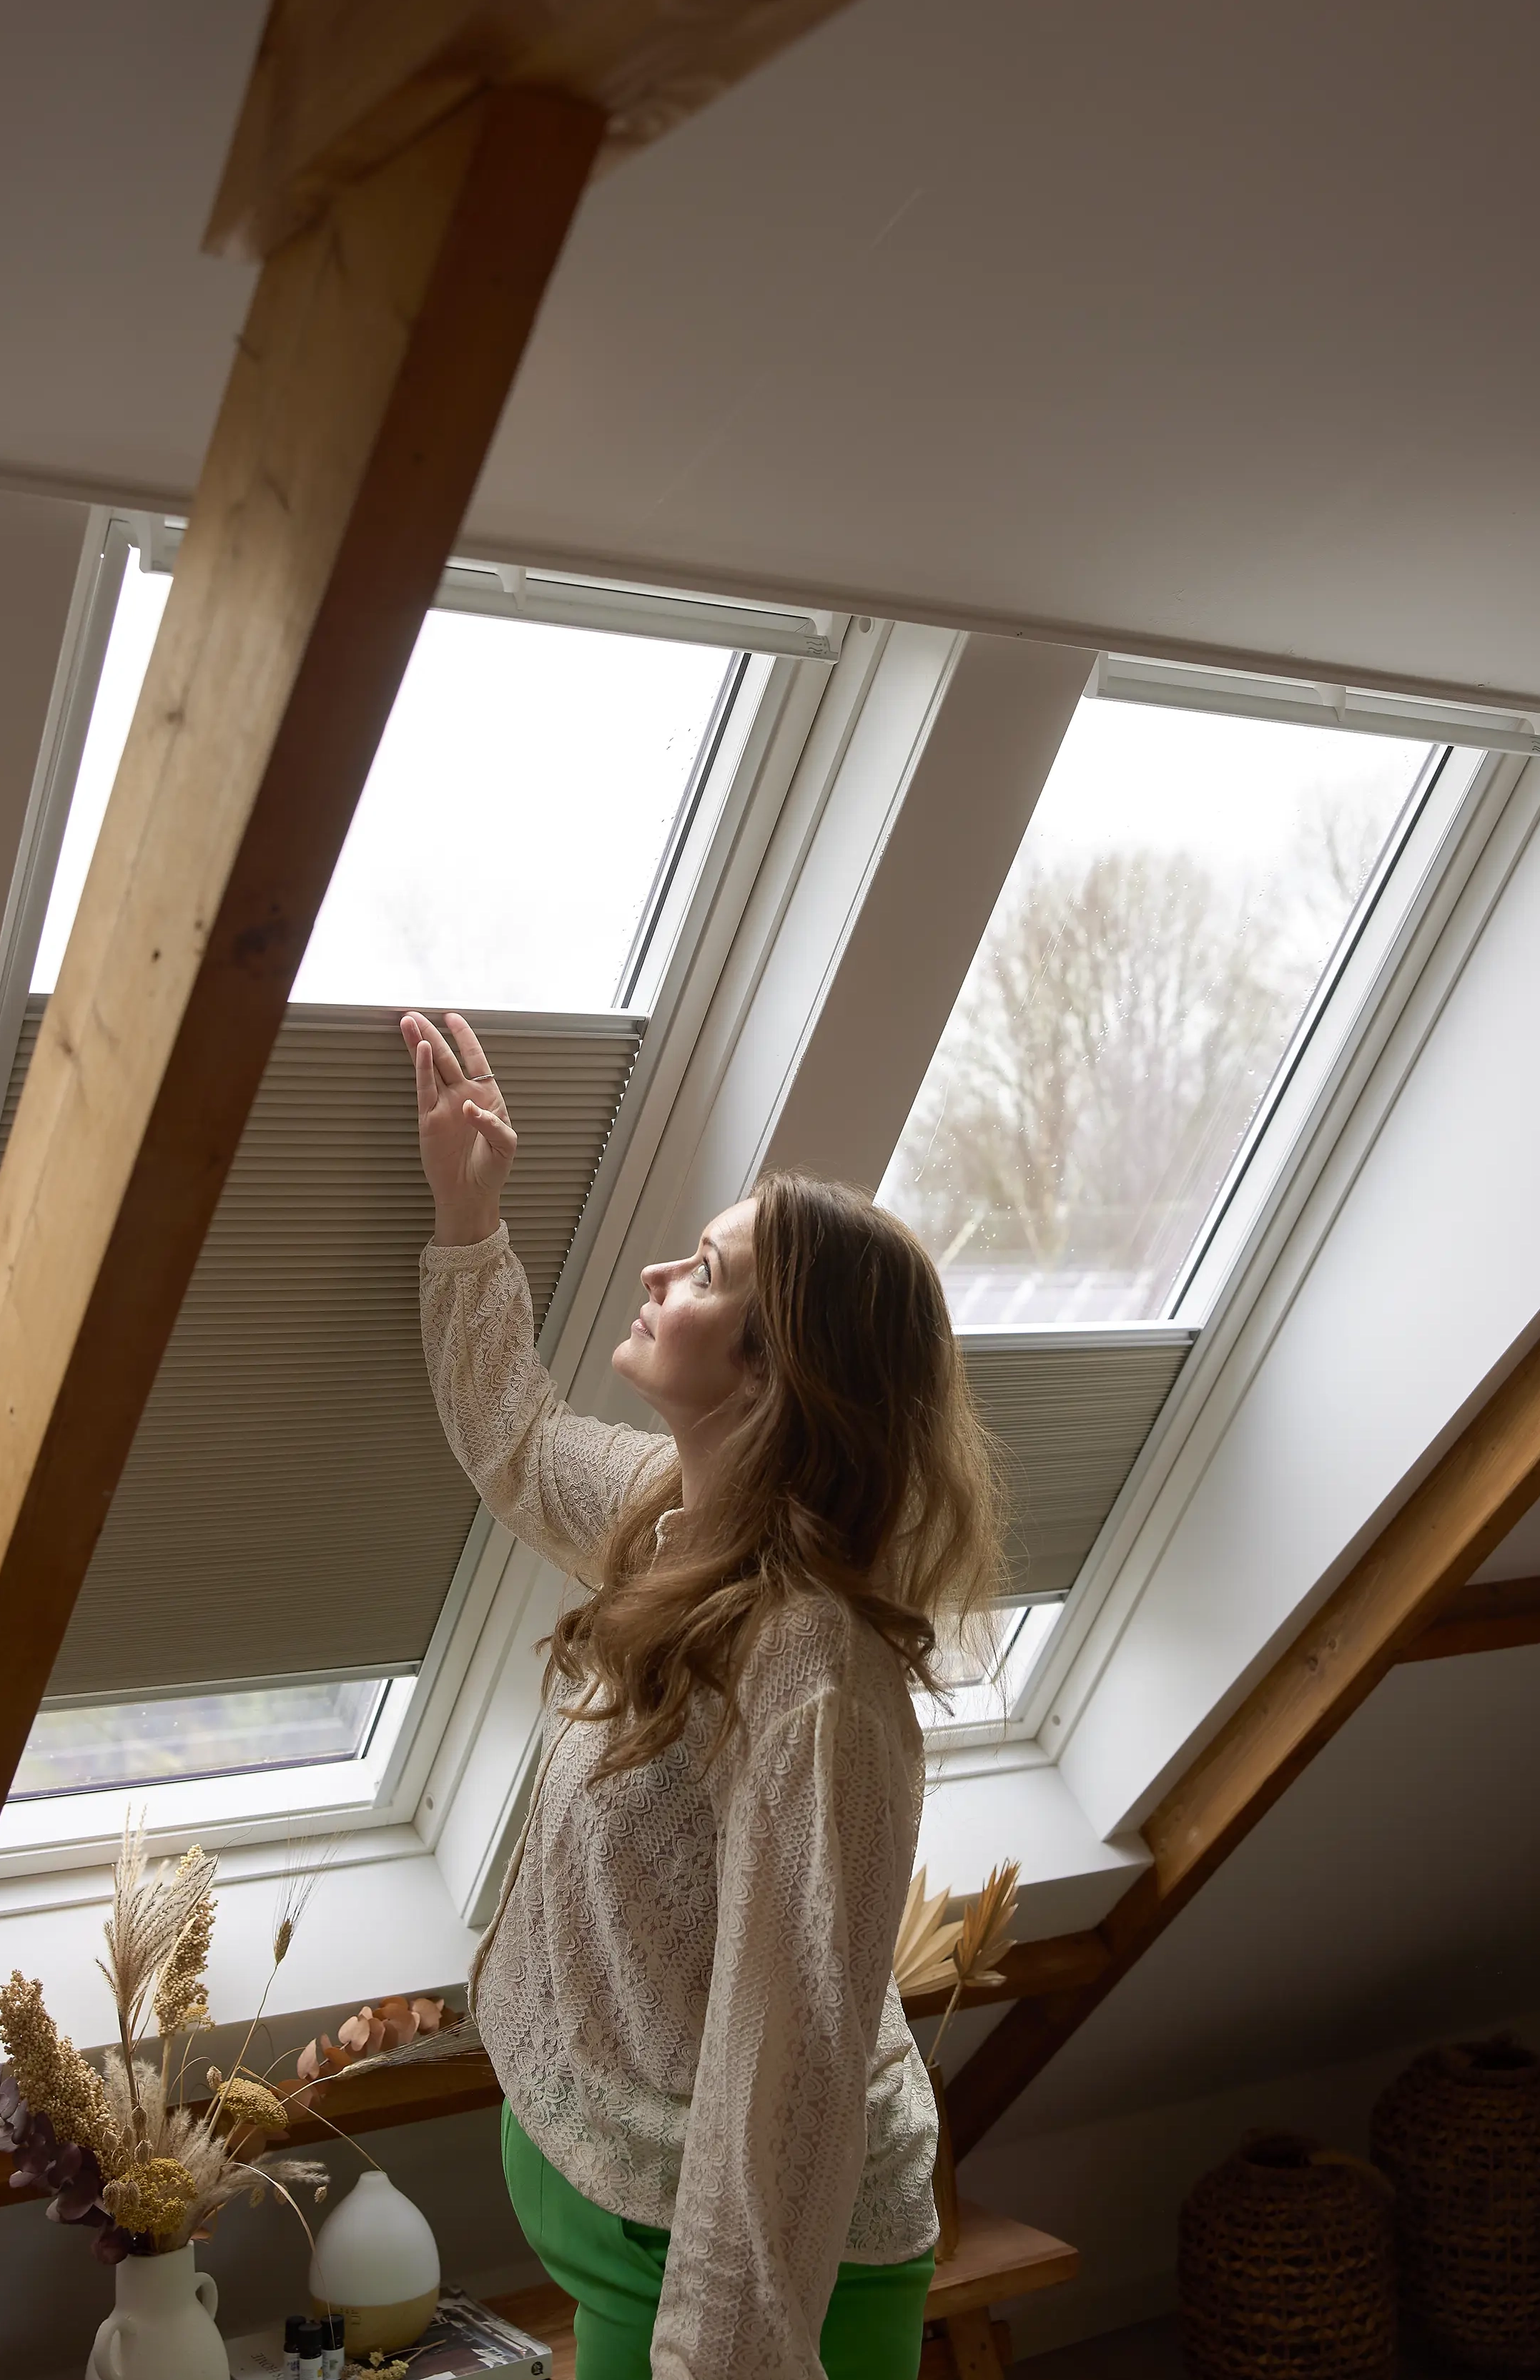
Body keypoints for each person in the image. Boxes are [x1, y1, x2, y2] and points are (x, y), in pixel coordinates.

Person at [400, 1009, 1007, 2380]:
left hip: (749, 2293)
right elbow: (516, 1439)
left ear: (774, 1370)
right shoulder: (672, 1514)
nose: (659, 1272)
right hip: (625, 2233)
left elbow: (784, 2074)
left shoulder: (813, 1680)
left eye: (707, 1271)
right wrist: (469, 1212)